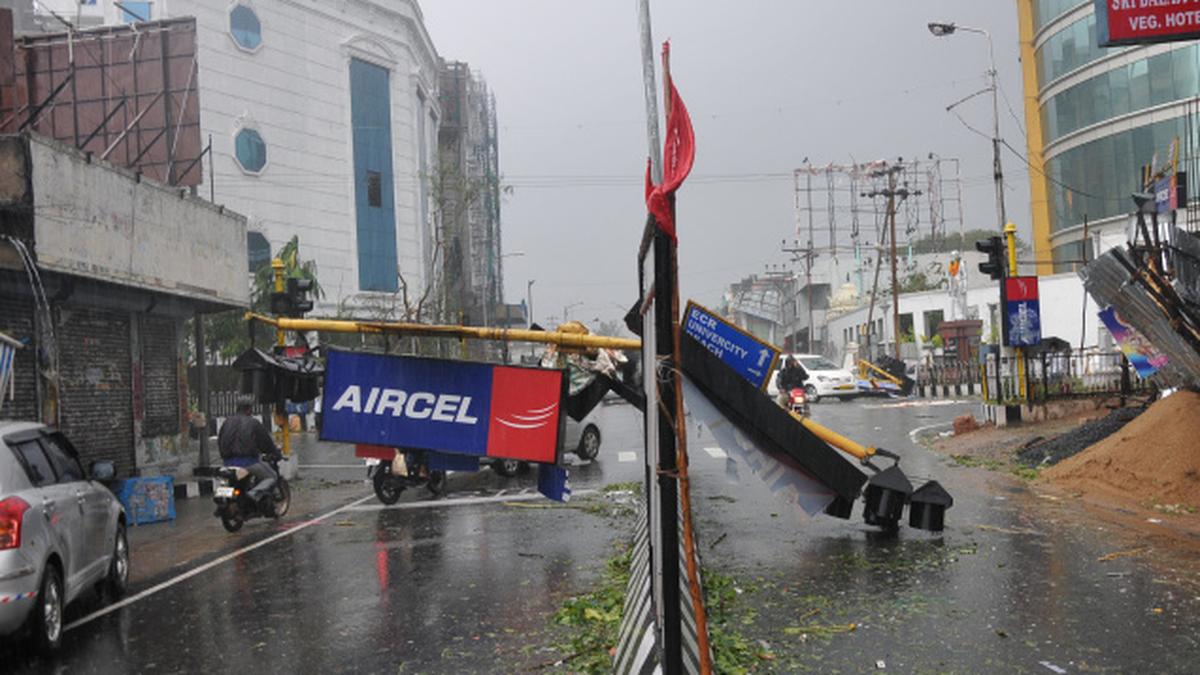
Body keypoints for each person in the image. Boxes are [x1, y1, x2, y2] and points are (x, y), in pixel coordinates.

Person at [218, 395, 281, 509]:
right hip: (248, 462)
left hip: (227, 462)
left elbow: (220, 440)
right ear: (249, 409)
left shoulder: (227, 422)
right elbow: (266, 442)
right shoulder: (253, 423)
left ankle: (225, 495)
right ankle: (253, 494)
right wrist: (275, 453)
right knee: (272, 476)